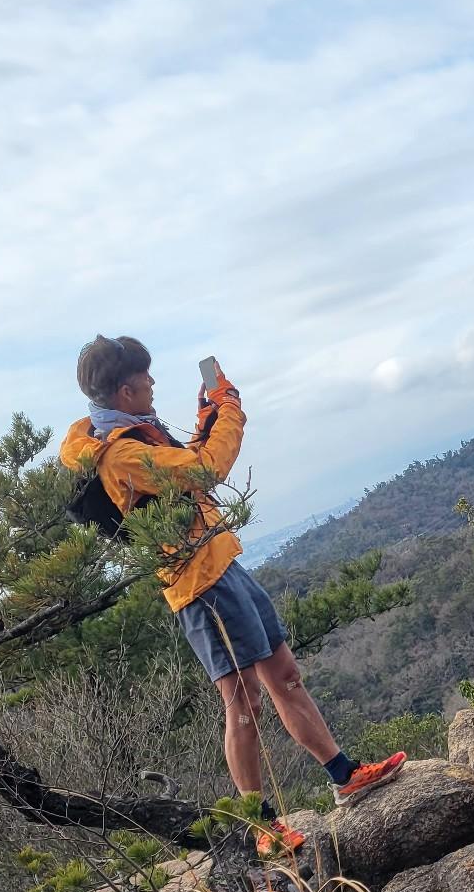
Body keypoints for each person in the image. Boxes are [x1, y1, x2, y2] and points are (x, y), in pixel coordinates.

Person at [60, 336, 404, 850]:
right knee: (243, 703)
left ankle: (344, 776)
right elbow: (207, 471)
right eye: (147, 379)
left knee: (285, 677)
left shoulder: (136, 432)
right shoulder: (119, 454)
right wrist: (230, 408)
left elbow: (189, 470)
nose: (154, 385)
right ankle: (259, 822)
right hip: (198, 585)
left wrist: (206, 420)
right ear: (126, 389)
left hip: (224, 562)